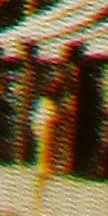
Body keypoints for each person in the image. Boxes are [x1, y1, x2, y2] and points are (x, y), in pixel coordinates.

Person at [28, 77, 65, 206]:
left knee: (43, 167)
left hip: (44, 137)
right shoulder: (49, 105)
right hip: (47, 138)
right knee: (44, 167)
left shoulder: (41, 103)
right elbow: (53, 119)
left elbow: (34, 121)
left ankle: (38, 197)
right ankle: (38, 198)